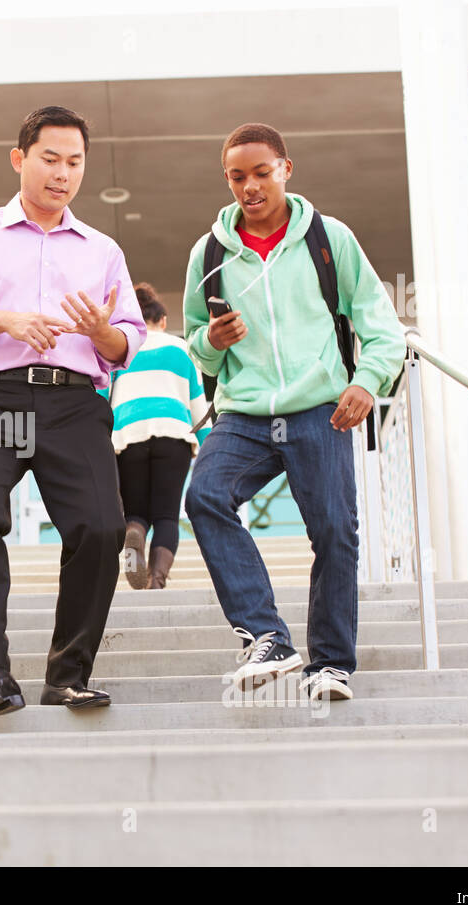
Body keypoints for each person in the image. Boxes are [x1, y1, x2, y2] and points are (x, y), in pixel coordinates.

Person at [0, 105, 146, 716]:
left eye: (75, 163)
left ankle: (68, 675)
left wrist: (103, 332)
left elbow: (127, 341)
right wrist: (6, 319)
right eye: (50, 159)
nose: (62, 173)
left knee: (101, 530)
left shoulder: (102, 250)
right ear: (20, 159)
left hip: (75, 402)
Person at [182, 122, 405, 701]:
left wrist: (367, 381)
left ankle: (331, 663)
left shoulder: (329, 239)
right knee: (204, 495)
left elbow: (381, 326)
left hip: (319, 410)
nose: (249, 186)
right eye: (237, 176)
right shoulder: (207, 254)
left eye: (261, 172)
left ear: (286, 168)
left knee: (334, 531)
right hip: (244, 414)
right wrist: (215, 339)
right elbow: (193, 343)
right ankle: (266, 636)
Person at [100, 283, 208, 590]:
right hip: (173, 434)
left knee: (136, 513)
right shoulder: (181, 347)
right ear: (162, 320)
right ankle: (156, 581)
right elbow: (198, 407)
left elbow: (102, 398)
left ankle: (134, 533)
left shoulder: (120, 348)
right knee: (166, 517)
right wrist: (209, 447)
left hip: (128, 435)